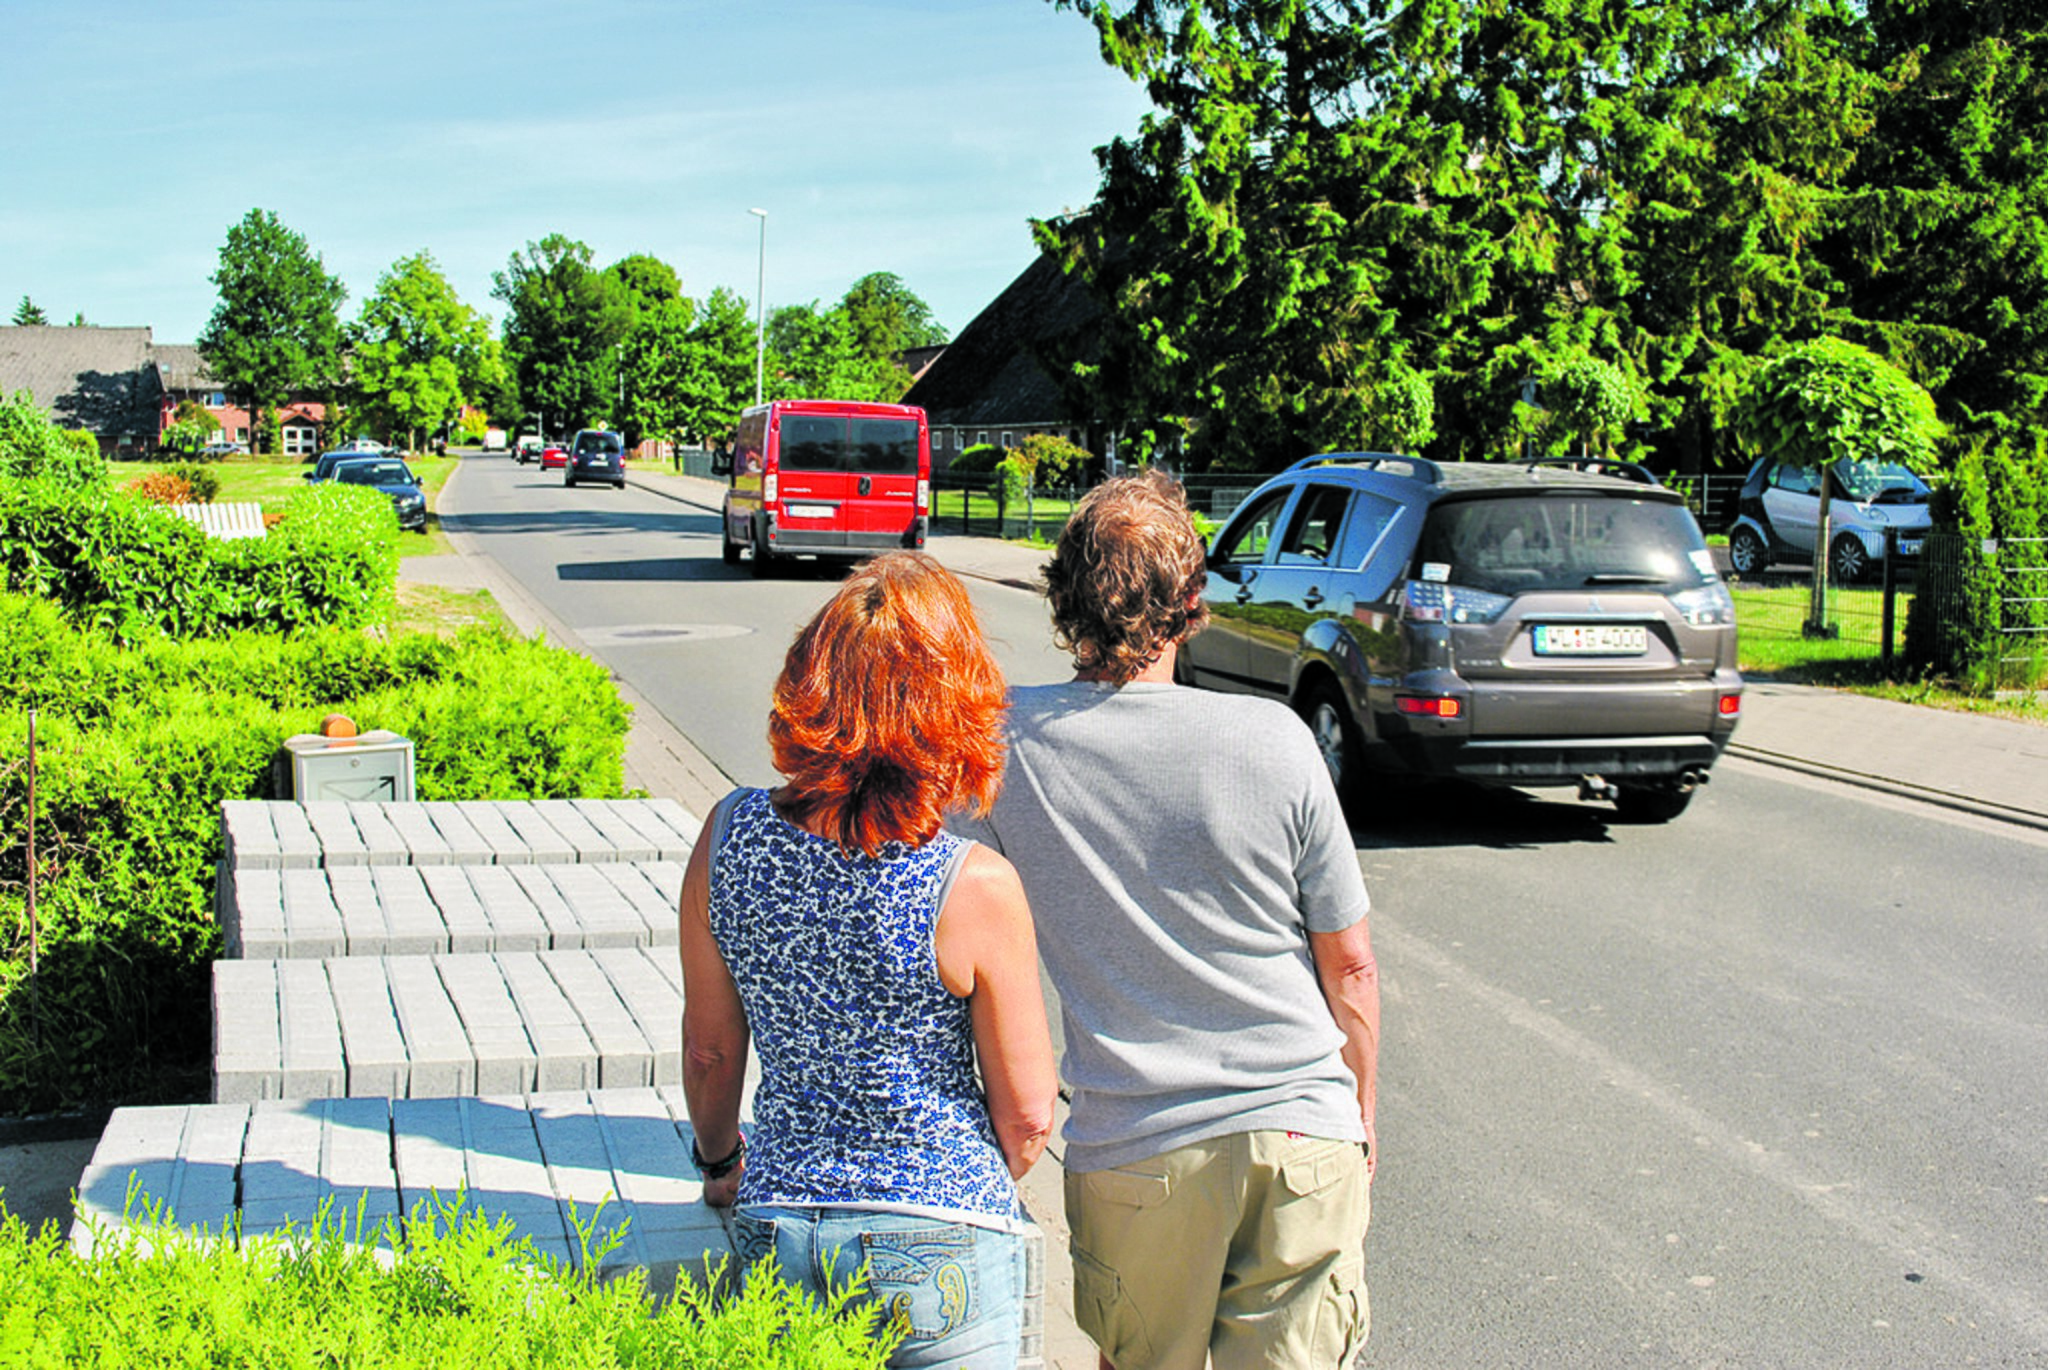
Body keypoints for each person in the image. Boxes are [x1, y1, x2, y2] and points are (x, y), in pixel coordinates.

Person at [960, 471, 1381, 1370]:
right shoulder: (1277, 740)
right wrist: (1360, 1112)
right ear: (1192, 608)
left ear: (1061, 597)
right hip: (1301, 1132)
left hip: (1136, 1151)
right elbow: (1349, 971)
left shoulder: (998, 750)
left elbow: (940, 921)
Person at [679, 551, 1058, 1369]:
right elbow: (1028, 1118)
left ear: (808, 683)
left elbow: (710, 1051)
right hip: (945, 1247)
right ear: (956, 704)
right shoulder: (973, 884)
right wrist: (953, 1182)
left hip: (781, 1225)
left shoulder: (729, 835)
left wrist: (720, 1162)